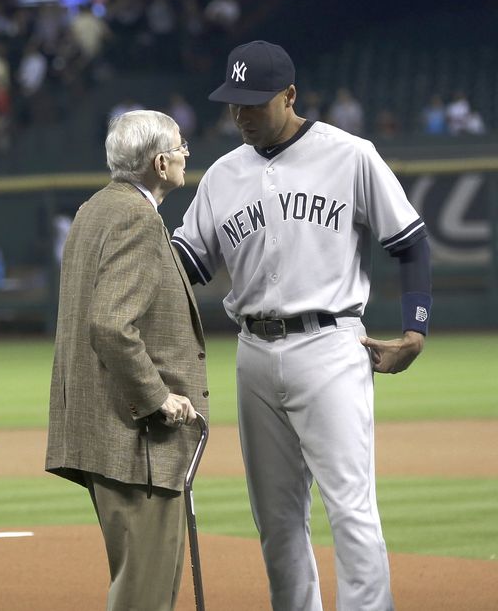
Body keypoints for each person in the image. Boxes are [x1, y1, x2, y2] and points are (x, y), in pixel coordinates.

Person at [172, 40, 431, 610]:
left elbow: (410, 242)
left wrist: (415, 329)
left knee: (351, 507)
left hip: (330, 345)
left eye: (254, 103)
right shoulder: (222, 175)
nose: (241, 114)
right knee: (276, 518)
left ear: (289, 95)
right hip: (253, 354)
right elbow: (183, 265)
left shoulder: (350, 155)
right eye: (234, 103)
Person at [46, 110, 207, 610]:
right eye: (180, 148)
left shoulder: (94, 208)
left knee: (138, 584)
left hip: (104, 431)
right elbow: (111, 324)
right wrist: (157, 397)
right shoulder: (137, 217)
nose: (185, 155)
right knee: (145, 594)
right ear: (160, 163)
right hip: (137, 442)